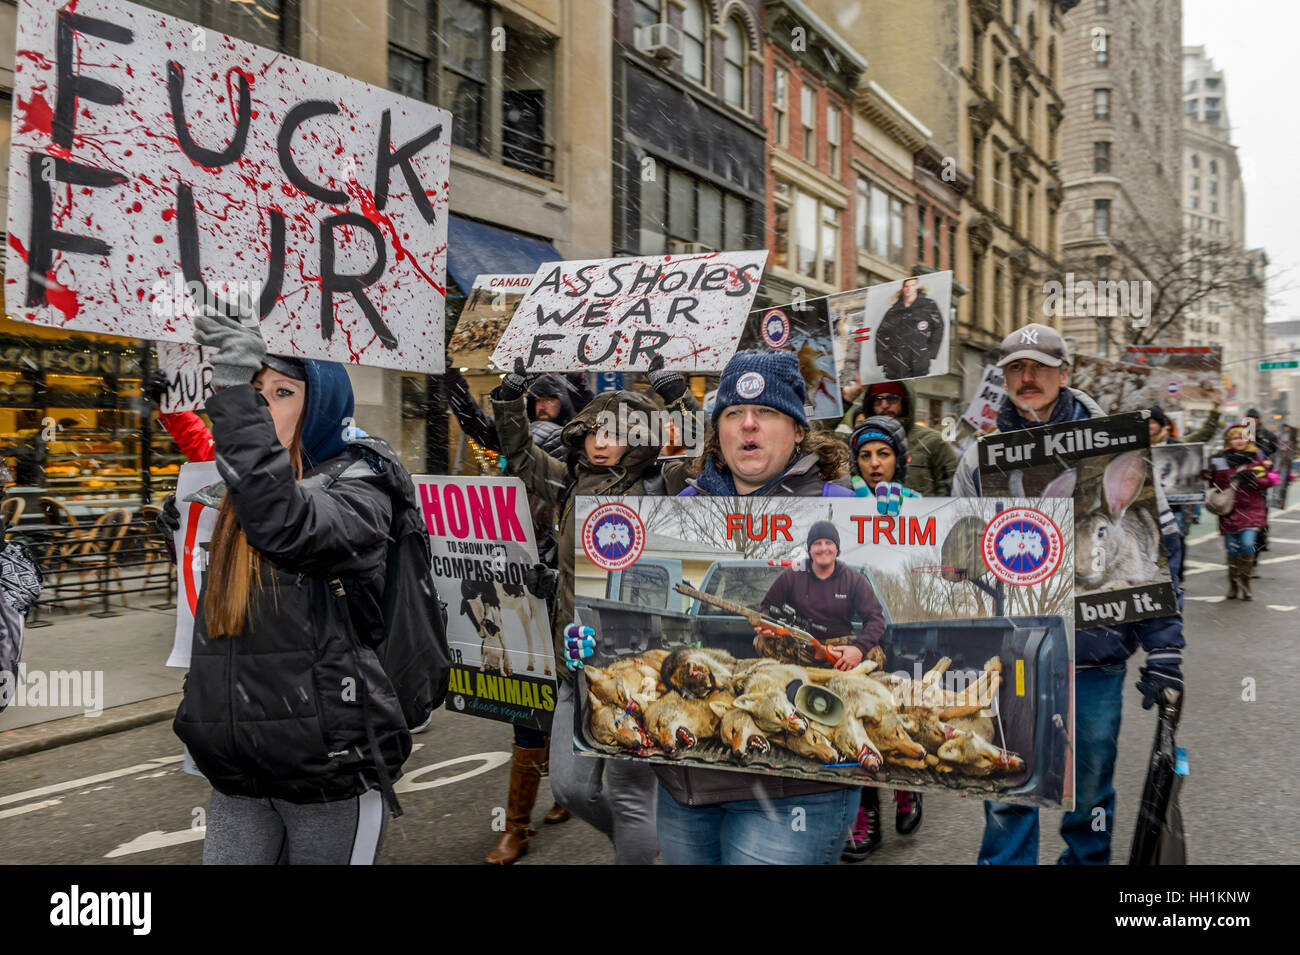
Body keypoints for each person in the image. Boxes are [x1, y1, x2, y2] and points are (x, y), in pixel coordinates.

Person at [172, 296, 410, 865]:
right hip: (238, 773)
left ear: (322, 405)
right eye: (255, 392)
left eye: (282, 393)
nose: (263, 407)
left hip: (327, 773)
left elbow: (286, 524)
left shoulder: (362, 487)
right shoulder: (227, 497)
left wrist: (232, 398)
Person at [953, 323, 1186, 865]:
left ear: (1065, 372)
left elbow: (1159, 553)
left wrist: (1166, 649)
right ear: (1003, 377)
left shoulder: (1116, 446)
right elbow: (960, 546)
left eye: (1037, 366)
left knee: (1089, 789)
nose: (1026, 377)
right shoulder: (980, 457)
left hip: (1094, 659)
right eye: (1014, 368)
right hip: (1016, 656)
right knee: (1008, 785)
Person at [652, 349, 861, 865]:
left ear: (796, 431)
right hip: (689, 780)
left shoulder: (843, 508)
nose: (748, 424)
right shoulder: (681, 510)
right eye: (732, 414)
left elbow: (864, 621)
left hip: (799, 784)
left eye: (765, 412)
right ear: (717, 433)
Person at [491, 356, 699, 865]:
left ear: (638, 438)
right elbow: (518, 454)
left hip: (635, 670)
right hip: (574, 667)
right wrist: (509, 399)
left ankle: (640, 845)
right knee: (571, 788)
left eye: (616, 432)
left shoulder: (661, 485)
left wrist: (678, 398)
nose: (601, 442)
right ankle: (652, 842)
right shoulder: (567, 482)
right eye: (593, 432)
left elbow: (702, 459)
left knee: (631, 797)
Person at [839, 417, 925, 860]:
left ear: (899, 459)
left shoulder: (918, 504)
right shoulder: (841, 502)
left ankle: (907, 786)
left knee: (901, 710)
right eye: (866, 456)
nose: (874, 464)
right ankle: (865, 809)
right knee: (861, 716)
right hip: (858, 629)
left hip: (904, 625)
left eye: (883, 454)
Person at [836, 380, 957, 496]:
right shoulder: (858, 440)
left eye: (892, 398)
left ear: (904, 402)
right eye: (878, 400)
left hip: (919, 516)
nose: (884, 405)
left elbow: (950, 493)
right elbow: (819, 438)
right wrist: (845, 398)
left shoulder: (932, 441)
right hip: (865, 515)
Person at [1205, 424, 1278, 601]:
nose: (1239, 441)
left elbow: (1269, 481)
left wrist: (1253, 480)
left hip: (1252, 509)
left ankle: (1245, 581)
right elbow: (1215, 485)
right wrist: (1208, 475)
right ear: (1228, 441)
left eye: (1242, 437)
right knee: (1232, 549)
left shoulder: (1255, 460)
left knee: (1247, 544)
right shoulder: (1219, 460)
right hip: (1229, 510)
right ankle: (1233, 583)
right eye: (1234, 438)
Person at [873, 277, 945, 380]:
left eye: (912, 285)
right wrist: (883, 359)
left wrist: (930, 352)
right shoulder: (893, 311)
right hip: (895, 365)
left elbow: (938, 327)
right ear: (903, 289)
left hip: (918, 362)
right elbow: (881, 334)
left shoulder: (929, 305)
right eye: (906, 286)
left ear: (917, 287)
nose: (909, 288)